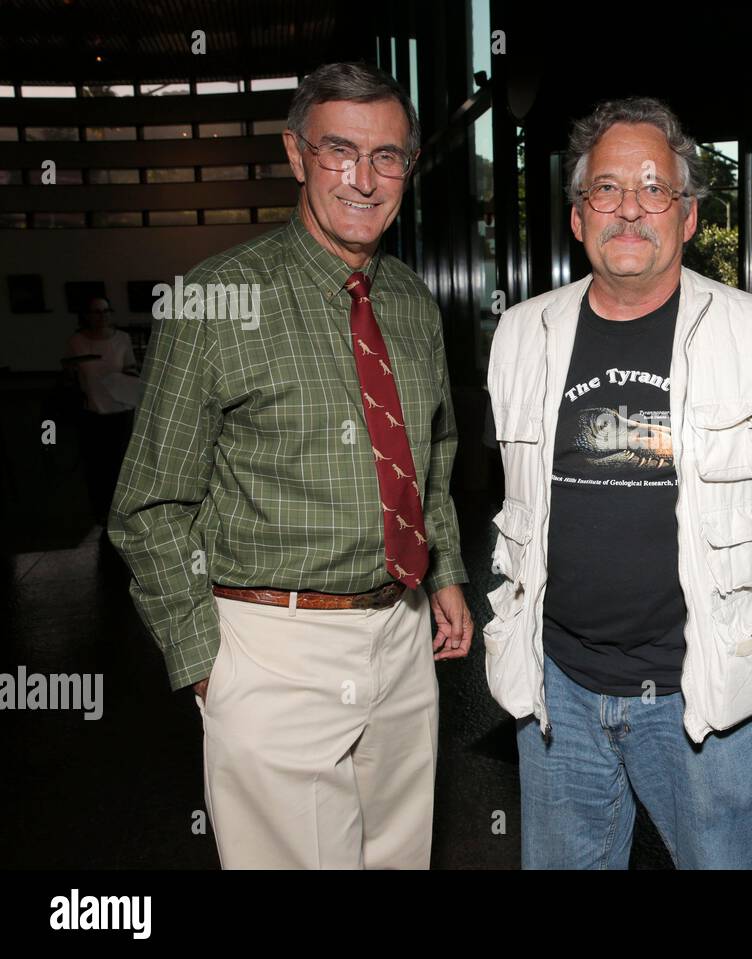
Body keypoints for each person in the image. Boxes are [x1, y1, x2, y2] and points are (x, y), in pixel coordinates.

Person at [109, 62, 471, 869]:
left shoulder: (411, 301)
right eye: (340, 150)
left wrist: (443, 573)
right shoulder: (215, 299)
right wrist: (206, 665)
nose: (365, 178)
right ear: (296, 154)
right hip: (272, 642)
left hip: (404, 635)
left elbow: (431, 453)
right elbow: (148, 503)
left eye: (389, 157)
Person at [482, 97, 752, 869]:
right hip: (555, 681)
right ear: (577, 216)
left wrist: (709, 560)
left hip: (698, 684)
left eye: (652, 188)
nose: (628, 208)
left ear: (688, 215)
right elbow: (519, 490)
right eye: (605, 189)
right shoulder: (520, 335)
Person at [66, 296, 139, 529]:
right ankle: (101, 511)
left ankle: (125, 511)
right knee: (97, 466)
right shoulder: (76, 341)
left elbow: (130, 367)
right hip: (92, 411)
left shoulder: (122, 339)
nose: (102, 316)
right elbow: (73, 376)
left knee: (122, 464)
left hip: (120, 409)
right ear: (86, 315)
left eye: (106, 311)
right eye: (97, 312)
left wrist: (130, 377)